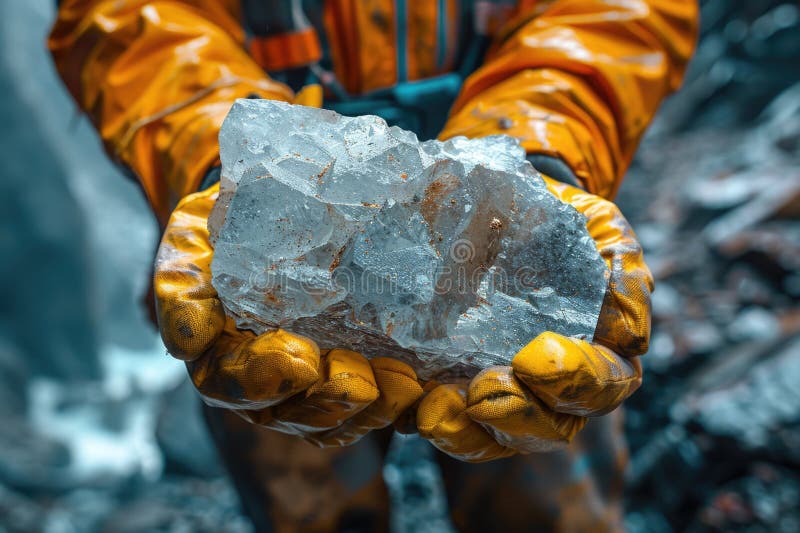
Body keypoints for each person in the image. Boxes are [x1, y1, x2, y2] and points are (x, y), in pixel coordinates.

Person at [49, 1, 699, 531]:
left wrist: (541, 150)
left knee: (547, 494)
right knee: (307, 500)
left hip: (513, 226)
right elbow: (122, 17)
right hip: (281, 296)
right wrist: (223, 165)